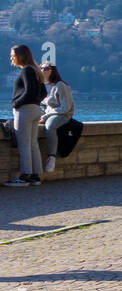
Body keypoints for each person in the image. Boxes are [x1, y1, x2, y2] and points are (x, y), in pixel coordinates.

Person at [6, 44, 45, 187]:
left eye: (13, 55)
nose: (11, 58)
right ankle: (35, 176)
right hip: (35, 110)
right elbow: (43, 92)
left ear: (21, 56)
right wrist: (35, 102)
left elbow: (29, 91)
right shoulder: (35, 70)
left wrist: (17, 103)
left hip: (24, 111)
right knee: (33, 144)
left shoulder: (26, 70)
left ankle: (24, 176)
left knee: (24, 144)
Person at [39, 63, 74, 175]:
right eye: (41, 68)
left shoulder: (60, 85)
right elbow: (42, 105)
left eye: (46, 68)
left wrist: (45, 116)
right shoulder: (42, 86)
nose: (43, 70)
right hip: (49, 114)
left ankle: (51, 158)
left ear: (52, 71)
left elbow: (65, 107)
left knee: (49, 126)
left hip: (63, 114)